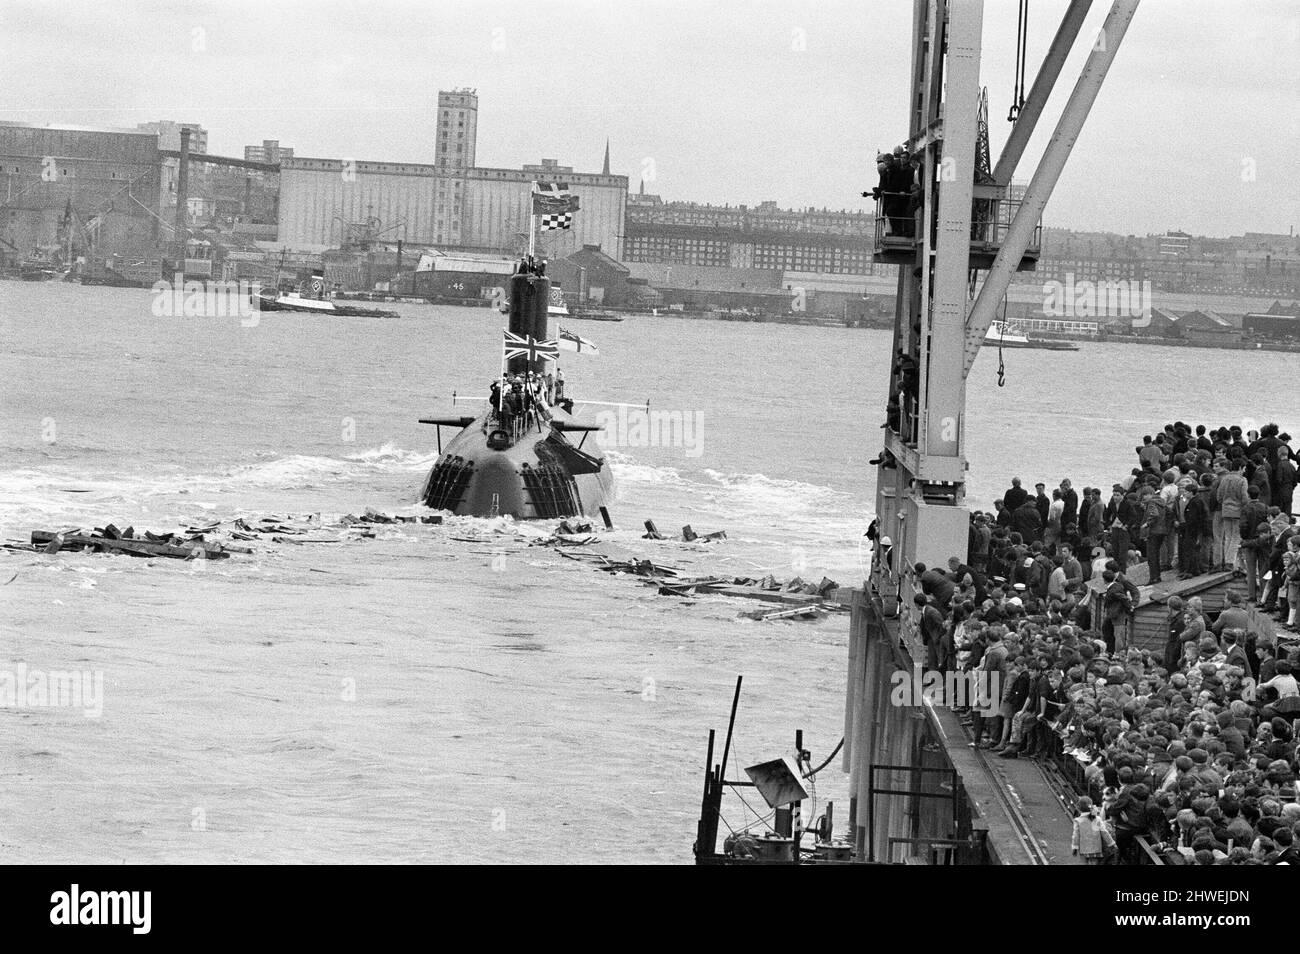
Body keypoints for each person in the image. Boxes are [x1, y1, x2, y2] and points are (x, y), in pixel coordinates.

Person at [1071, 796, 1115, 864]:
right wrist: (1111, 843)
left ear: (1079, 808)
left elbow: (1076, 836)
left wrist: (1075, 847)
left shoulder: (1078, 821)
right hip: (1096, 849)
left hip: (1084, 848)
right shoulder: (1097, 819)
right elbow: (1104, 833)